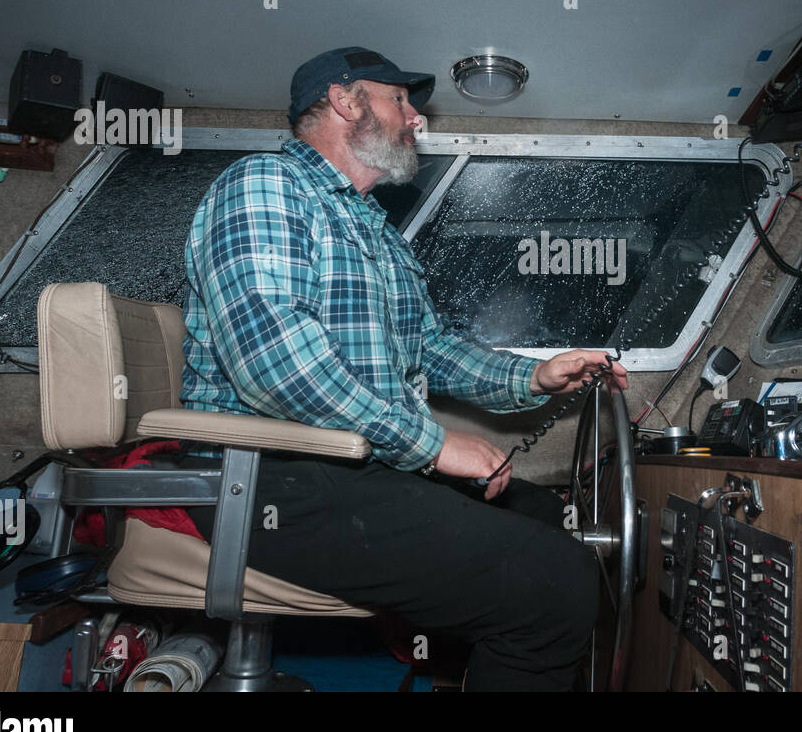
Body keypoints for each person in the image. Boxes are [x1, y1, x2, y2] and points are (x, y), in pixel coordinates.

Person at [177, 46, 627, 691]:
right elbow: (276, 365)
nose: (416, 118)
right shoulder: (265, 186)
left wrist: (534, 376)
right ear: (344, 101)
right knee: (553, 585)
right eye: (400, 100)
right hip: (267, 480)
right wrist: (434, 444)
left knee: (553, 519)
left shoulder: (375, 231)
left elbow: (431, 347)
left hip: (357, 465)